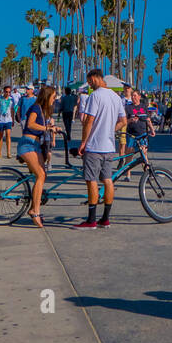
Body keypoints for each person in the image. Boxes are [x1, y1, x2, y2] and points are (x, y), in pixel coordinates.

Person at [74, 70, 126, 229]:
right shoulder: (116, 97)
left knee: (91, 181)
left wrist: (83, 142)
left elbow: (89, 121)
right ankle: (105, 218)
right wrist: (111, 130)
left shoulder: (95, 96)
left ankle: (91, 220)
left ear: (96, 78)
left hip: (94, 146)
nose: (89, 85)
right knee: (108, 180)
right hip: (109, 147)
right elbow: (123, 121)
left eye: (90, 82)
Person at [17, 87, 58, 228]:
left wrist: (54, 128)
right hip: (27, 144)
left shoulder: (44, 110)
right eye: (53, 96)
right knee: (40, 175)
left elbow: (45, 126)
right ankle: (35, 211)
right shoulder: (36, 107)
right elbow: (30, 124)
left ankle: (35, 207)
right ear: (47, 97)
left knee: (42, 175)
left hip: (35, 145)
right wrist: (47, 128)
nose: (54, 99)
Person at [58, 86, 78, 167]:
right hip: (70, 112)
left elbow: (61, 106)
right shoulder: (73, 98)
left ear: (66, 92)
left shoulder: (64, 98)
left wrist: (59, 113)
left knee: (66, 124)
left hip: (65, 112)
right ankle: (69, 134)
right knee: (69, 124)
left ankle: (68, 135)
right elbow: (75, 104)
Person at [0, 86, 16, 159]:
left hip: (8, 120)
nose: (8, 93)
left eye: (9, 92)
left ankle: (8, 152)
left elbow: (12, 110)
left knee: (8, 134)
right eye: (6, 92)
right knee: (1, 135)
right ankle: (0, 152)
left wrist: (13, 120)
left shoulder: (11, 100)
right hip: (0, 120)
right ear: (3, 92)